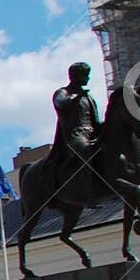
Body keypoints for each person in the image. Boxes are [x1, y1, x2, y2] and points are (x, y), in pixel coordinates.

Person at [49, 61, 101, 204]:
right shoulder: (63, 93)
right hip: (74, 135)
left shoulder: (88, 97)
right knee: (85, 149)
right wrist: (76, 96)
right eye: (85, 75)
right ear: (75, 76)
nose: (88, 78)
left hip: (92, 133)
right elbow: (60, 103)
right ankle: (89, 192)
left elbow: (96, 121)